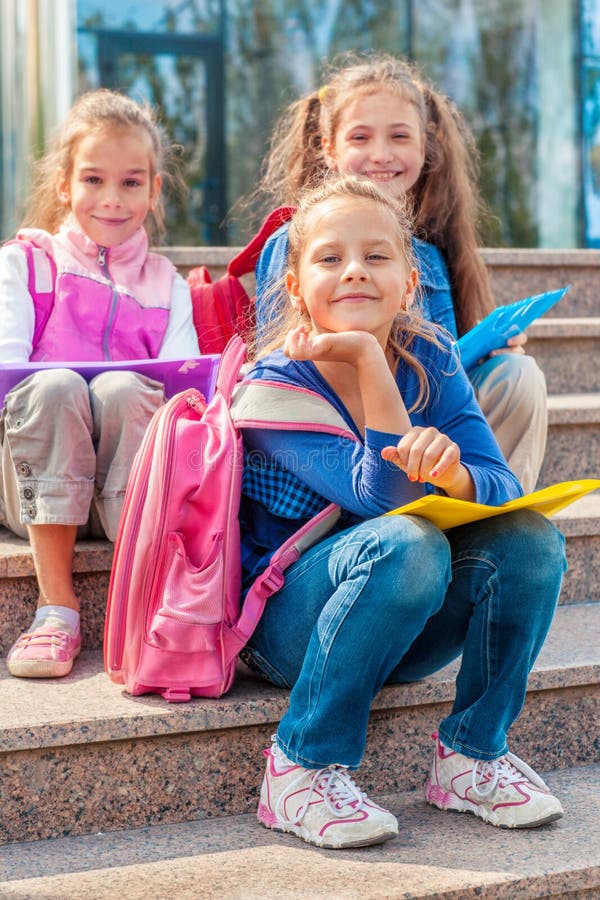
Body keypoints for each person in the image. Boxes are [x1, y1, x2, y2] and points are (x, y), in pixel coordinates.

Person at [236, 175, 566, 850]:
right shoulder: (272, 388)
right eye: (329, 258)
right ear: (296, 288)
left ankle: (472, 755)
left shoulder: (433, 358)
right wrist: (363, 358)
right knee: (407, 540)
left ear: (410, 280)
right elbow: (381, 499)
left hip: (400, 621)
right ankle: (300, 765)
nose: (355, 270)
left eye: (377, 256)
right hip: (285, 630)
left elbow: (501, 484)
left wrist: (458, 476)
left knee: (531, 538)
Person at [253, 52, 547, 494]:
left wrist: (485, 348)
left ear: (424, 149)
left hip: (425, 412)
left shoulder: (426, 256)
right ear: (330, 149)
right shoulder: (296, 244)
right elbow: (284, 352)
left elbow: (443, 366)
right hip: (344, 426)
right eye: (360, 137)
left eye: (398, 136)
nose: (381, 154)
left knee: (517, 375)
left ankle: (489, 519)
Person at [0, 89, 200, 679]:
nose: (112, 200)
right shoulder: (24, 264)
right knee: (54, 385)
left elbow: (185, 398)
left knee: (124, 390)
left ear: (154, 190)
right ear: (64, 184)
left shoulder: (169, 285)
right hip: (33, 483)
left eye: (131, 183)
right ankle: (57, 609)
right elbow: (6, 380)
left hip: (127, 490)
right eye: (93, 179)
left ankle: (139, 605)